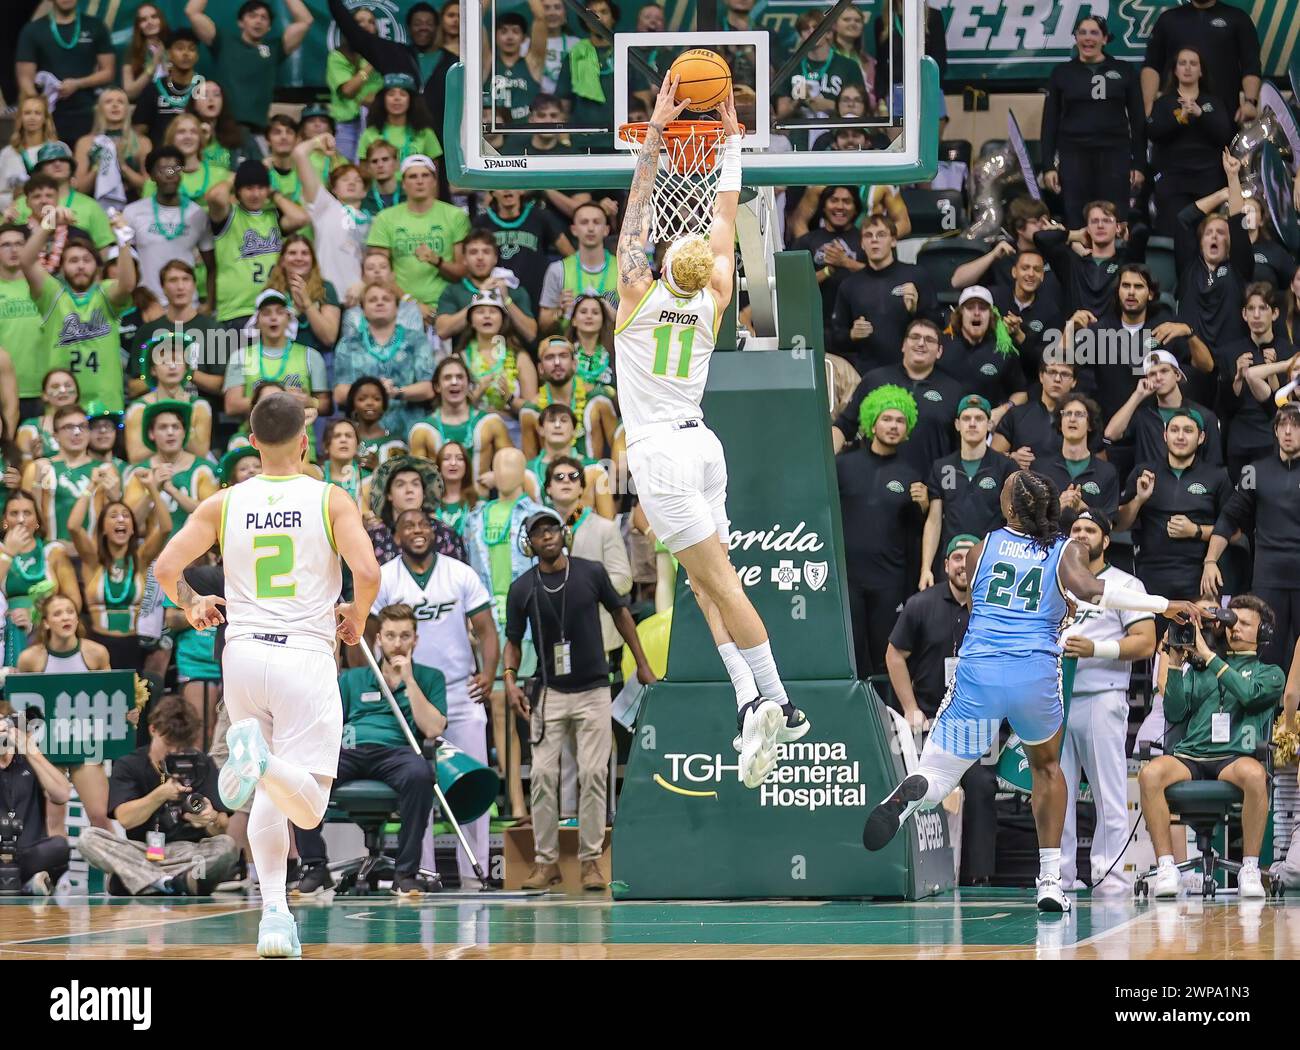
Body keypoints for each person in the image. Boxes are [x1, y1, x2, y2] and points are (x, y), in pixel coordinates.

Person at [863, 470, 1204, 912]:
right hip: (1035, 675)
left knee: (942, 771)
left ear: (1008, 509)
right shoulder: (1066, 551)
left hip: (979, 673)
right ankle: (1049, 879)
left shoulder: (981, 546)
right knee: (1047, 770)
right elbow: (1091, 591)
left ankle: (915, 790)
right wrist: (1164, 604)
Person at [615, 80, 810, 787]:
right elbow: (725, 216)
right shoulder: (715, 297)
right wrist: (729, 142)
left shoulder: (636, 298)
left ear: (659, 264)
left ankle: (783, 703)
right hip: (703, 446)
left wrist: (658, 141)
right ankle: (748, 696)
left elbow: (635, 218)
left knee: (720, 585)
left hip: (664, 453)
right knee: (703, 585)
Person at [155, 391, 381, 957]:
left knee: (269, 798)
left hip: (244, 658)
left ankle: (275, 917)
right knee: (308, 805)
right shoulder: (331, 499)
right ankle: (261, 760)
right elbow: (369, 572)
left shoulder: (225, 503)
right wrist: (354, 615)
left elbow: (164, 568)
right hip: (303, 655)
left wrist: (191, 604)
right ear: (306, 443)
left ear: (252, 443)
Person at [504, 509, 656, 891]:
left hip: (593, 688)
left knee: (592, 774)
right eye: (538, 533)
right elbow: (511, 639)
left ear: (564, 533)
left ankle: (591, 862)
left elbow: (622, 614)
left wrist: (641, 662)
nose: (547, 537)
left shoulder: (590, 572)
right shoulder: (523, 587)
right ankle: (545, 862)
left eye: (552, 529)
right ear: (529, 544)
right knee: (540, 776)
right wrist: (508, 678)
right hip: (549, 692)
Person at [372, 515, 499, 888]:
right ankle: (422, 871)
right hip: (409, 692)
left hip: (460, 691)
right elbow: (365, 633)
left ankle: (473, 869)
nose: (416, 530)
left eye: (422, 525)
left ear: (433, 532)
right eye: (407, 525)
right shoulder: (386, 578)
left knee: (474, 783)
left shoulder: (460, 573)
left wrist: (488, 673)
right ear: (396, 536)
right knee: (419, 785)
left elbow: (487, 630)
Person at [297, 602, 449, 896]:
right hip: (351, 750)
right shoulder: (353, 679)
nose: (398, 643)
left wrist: (409, 680)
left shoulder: (430, 678)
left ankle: (405, 875)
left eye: (405, 636)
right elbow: (328, 721)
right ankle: (315, 867)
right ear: (378, 639)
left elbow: (433, 729)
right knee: (303, 776)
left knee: (420, 774)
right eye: (390, 635)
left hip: (397, 754)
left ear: (416, 639)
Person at [1138, 595, 1281, 899]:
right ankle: (1167, 867)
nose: (1236, 628)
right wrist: (1175, 665)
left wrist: (1209, 656)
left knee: (1256, 775)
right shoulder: (1200, 669)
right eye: (1233, 622)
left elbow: (1248, 695)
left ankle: (1251, 868)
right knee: (1150, 774)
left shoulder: (1270, 673)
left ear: (1263, 633)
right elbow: (1175, 713)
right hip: (1191, 755)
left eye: (1245, 623)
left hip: (1233, 759)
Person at [885, 535, 996, 886]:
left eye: (971, 559)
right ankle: (916, 872)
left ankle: (978, 877)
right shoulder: (920, 605)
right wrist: (910, 708)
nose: (964, 565)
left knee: (980, 784)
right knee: (919, 783)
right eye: (957, 558)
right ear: (945, 565)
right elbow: (894, 656)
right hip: (928, 724)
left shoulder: (992, 609)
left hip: (975, 727)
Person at [1057, 509, 1157, 896]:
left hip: (1101, 697)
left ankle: (1110, 878)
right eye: (1076, 529)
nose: (1082, 535)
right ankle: (1060, 877)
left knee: (1109, 793)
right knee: (1056, 794)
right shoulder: (1057, 581)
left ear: (1106, 537)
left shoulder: (1125, 583)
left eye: (1090, 529)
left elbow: (1146, 641)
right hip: (1055, 700)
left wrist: (1096, 647)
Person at [77, 696, 239, 897]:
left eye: (181, 746)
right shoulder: (129, 764)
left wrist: (210, 818)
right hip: (142, 850)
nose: (174, 751)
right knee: (89, 838)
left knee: (226, 846)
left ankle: (137, 879)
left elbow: (221, 827)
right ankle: (172, 882)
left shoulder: (201, 763)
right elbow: (126, 819)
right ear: (153, 729)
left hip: (188, 851)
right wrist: (159, 795)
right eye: (169, 743)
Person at [464, 447, 540, 813]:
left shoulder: (539, 516)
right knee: (497, 709)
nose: (507, 470)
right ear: (491, 472)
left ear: (525, 470)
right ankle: (516, 801)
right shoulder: (475, 518)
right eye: (501, 464)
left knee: (536, 710)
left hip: (529, 625)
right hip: (488, 626)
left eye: (515, 464)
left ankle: (544, 798)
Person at [837, 386, 927, 677]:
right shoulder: (842, 466)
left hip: (889, 581)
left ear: (908, 427)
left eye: (900, 421)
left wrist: (923, 507)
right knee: (850, 653)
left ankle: (888, 717)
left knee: (885, 655)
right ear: (872, 422)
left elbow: (915, 532)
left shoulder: (912, 473)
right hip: (848, 578)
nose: (893, 426)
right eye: (887, 419)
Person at [1204, 403, 1300, 665]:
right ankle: (1268, 706)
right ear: (1276, 431)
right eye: (1283, 425)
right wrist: (1210, 560)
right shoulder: (1254, 471)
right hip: (1269, 576)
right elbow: (1228, 517)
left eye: (1296, 425)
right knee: (1267, 653)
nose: (1289, 431)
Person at [15, 591, 112, 840]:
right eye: (57, 613)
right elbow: (20, 707)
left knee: (99, 815)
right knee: (52, 819)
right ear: (46, 622)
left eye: (70, 612)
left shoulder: (96, 653)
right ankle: (56, 877)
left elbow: (113, 696)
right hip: (48, 744)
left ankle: (118, 876)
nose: (66, 617)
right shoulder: (30, 658)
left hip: (86, 742)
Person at [19, 210, 134, 413]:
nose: (80, 266)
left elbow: (126, 286)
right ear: (62, 269)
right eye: (73, 261)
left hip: (106, 402)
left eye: (86, 260)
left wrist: (123, 240)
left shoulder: (105, 293)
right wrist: (48, 227)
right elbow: (26, 262)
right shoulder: (52, 295)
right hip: (62, 403)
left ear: (97, 267)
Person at [1114, 407, 1232, 603]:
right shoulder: (1144, 472)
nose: (1180, 436)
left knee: (1197, 634)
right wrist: (1139, 499)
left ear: (1201, 437)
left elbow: (1234, 533)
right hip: (1149, 575)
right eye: (1174, 430)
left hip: (1198, 575)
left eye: (1188, 430)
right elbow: (1119, 525)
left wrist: (1195, 530)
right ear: (1165, 435)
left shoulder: (1217, 476)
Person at [1040, 15, 1145, 228]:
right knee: (1076, 216)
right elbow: (1049, 123)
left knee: (1114, 215)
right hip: (1074, 155)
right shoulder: (1062, 73)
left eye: (1094, 33)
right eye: (1083, 33)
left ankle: (1116, 260)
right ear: (1076, 38)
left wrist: (1139, 163)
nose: (1088, 38)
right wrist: (1049, 165)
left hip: (1114, 154)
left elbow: (1138, 120)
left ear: (1105, 39)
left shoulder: (1124, 70)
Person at [69, 472, 172, 670]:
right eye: (113, 516)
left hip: (132, 645)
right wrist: (91, 485)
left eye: (126, 516)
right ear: (104, 528)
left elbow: (165, 527)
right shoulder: (93, 561)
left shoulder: (140, 560)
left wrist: (152, 488)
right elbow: (74, 526)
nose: (121, 520)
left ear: (133, 528)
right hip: (97, 644)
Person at [832, 318, 964, 471]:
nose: (921, 343)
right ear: (903, 345)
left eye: (929, 339)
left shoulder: (954, 391)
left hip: (929, 487)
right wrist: (825, 463)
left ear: (939, 351)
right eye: (914, 337)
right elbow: (844, 426)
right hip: (877, 481)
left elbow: (961, 448)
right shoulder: (875, 380)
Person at [920, 396, 1016, 587]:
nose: (972, 424)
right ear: (957, 424)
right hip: (952, 561)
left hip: (992, 561)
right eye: (966, 418)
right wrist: (926, 568)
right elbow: (934, 520)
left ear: (989, 424)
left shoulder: (1005, 466)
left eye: (979, 419)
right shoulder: (942, 467)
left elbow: (1013, 521)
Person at [185, 0, 314, 140]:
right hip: (224, 130)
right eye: (252, 16)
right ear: (241, 22)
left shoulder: (275, 49)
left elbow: (305, 21)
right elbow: (192, 12)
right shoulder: (223, 41)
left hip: (258, 132)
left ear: (269, 27)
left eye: (264, 17)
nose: (258, 21)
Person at [830, 214, 935, 374]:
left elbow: (937, 326)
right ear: (862, 244)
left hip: (911, 372)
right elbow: (836, 338)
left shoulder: (916, 276)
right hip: (867, 374)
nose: (874, 240)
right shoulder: (849, 285)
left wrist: (916, 310)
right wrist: (852, 334)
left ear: (893, 240)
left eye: (881, 235)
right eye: (868, 235)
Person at [366, 154, 468, 316]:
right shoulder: (385, 218)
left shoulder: (455, 216)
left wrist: (437, 261)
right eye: (413, 176)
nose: (419, 181)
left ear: (434, 181)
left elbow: (463, 271)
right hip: (400, 306)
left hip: (447, 306)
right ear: (404, 184)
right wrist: (411, 303)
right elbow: (378, 274)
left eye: (425, 175)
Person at [1146, 48, 1233, 237]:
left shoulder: (1213, 103)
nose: (1187, 68)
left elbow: (1224, 135)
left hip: (1207, 180)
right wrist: (1180, 118)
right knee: (1173, 232)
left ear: (1201, 71)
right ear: (1175, 70)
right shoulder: (1164, 103)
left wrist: (1200, 114)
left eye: (1193, 64)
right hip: (1173, 181)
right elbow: (1153, 133)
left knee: (1207, 234)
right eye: (1182, 63)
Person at [332, 279, 435, 440]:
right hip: (363, 434)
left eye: (386, 299)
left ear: (397, 307)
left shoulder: (416, 340)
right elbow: (339, 393)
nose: (379, 303)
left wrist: (397, 393)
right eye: (372, 300)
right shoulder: (348, 344)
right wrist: (375, 391)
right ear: (363, 309)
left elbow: (428, 388)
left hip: (409, 429)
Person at [1173, 153, 1252, 356]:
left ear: (1230, 241)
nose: (1214, 237)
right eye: (1209, 233)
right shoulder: (1189, 267)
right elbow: (1183, 220)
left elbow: (1237, 222)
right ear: (1200, 242)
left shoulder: (1239, 268)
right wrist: (1222, 194)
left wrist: (1233, 177)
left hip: (1232, 362)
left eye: (1221, 233)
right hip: (1192, 361)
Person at [1214, 283, 1293, 478]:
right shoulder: (1228, 353)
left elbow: (1287, 406)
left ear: (1274, 314)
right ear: (1244, 314)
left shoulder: (1290, 354)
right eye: (1251, 309)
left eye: (1263, 308)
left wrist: (1273, 373)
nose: (1256, 315)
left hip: (1275, 439)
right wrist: (1238, 378)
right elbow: (1224, 408)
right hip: (1240, 441)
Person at [123, 147, 215, 310]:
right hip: (150, 307)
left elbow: (212, 266)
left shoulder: (197, 214)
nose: (169, 174)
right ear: (151, 176)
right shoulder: (133, 212)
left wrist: (209, 305)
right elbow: (125, 262)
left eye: (175, 169)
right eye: (162, 170)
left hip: (188, 306)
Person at [1139, 0, 1261, 123]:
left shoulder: (1238, 18)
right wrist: (1147, 105)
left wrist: (1250, 102)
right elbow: (1152, 65)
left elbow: (1251, 65)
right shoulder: (1168, 19)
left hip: (1222, 116)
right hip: (1175, 116)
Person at [222, 290, 331, 428]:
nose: (273, 318)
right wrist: (281, 397)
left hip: (301, 442)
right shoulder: (240, 357)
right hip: (253, 439)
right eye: (266, 313)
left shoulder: (311, 356)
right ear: (257, 321)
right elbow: (232, 405)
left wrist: (310, 401)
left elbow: (326, 405)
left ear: (289, 318)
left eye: (279, 312)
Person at [15, 0, 116, 147]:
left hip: (88, 112)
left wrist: (78, 83)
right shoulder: (33, 30)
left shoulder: (95, 26)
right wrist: (38, 109)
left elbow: (108, 71)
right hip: (50, 114)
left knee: (86, 163)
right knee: (49, 165)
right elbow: (25, 77)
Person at [208, 161, 295, 329]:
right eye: (248, 188)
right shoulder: (229, 215)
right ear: (238, 190)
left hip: (274, 310)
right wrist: (237, 176)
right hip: (237, 311)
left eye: (261, 187)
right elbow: (215, 196)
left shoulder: (273, 215)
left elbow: (301, 218)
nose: (255, 194)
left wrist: (275, 194)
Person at [0, 491, 80, 666]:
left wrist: (36, 616)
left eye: (27, 513)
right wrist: (8, 553)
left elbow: (75, 601)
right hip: (9, 632)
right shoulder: (1, 552)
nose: (21, 519)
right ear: (4, 521)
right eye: (14, 514)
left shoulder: (53, 552)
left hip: (49, 631)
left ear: (37, 521)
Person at [127, 260, 223, 407]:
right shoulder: (147, 331)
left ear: (194, 285)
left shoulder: (213, 328)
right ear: (163, 287)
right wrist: (166, 375)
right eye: (173, 280)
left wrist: (185, 370)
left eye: (186, 279)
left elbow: (220, 385)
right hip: (157, 415)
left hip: (201, 413)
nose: (180, 286)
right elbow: (133, 387)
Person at [0, 708, 73, 895]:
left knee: (58, 846)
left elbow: (62, 794)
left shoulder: (29, 761)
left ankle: (28, 883)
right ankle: (29, 885)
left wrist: (31, 751)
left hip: (27, 854)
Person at [1033, 201, 1148, 318]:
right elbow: (1040, 238)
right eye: (1094, 221)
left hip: (1115, 334)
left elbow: (1141, 230)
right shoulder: (1072, 263)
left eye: (1107, 221)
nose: (1100, 225)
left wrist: (1124, 232)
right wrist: (1075, 235)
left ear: (1118, 227)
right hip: (1079, 332)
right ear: (1087, 229)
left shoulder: (1126, 260)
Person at [123, 400, 218, 538]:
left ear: (184, 432)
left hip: (196, 556)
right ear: (151, 434)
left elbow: (213, 517)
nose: (170, 432)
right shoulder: (138, 473)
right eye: (163, 427)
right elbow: (130, 524)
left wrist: (172, 491)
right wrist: (152, 491)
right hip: (153, 557)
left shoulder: (204, 470)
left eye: (176, 427)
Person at [292, 135, 371, 296]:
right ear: (334, 189)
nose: (352, 183)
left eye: (358, 180)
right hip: (325, 296)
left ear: (364, 191)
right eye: (345, 179)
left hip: (357, 299)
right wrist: (317, 141)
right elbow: (299, 153)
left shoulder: (373, 222)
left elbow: (378, 264)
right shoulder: (325, 206)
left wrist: (364, 284)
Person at [473, 188, 573, 310]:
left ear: (522, 190)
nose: (507, 190)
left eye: (513, 185)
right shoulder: (482, 222)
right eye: (501, 186)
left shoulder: (540, 217)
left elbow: (571, 255)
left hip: (535, 293)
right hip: (496, 296)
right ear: (492, 192)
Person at [522, 336, 617, 462]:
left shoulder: (597, 399)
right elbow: (530, 465)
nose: (557, 362)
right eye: (550, 357)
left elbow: (617, 444)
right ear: (540, 368)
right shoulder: (531, 410)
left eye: (563, 356)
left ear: (574, 364)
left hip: (592, 477)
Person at [937, 287, 1027, 417]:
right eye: (970, 307)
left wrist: (1002, 411)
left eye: (983, 308)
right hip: (945, 423)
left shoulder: (1003, 349)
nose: (977, 313)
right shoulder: (941, 343)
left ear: (991, 315)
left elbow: (1021, 393)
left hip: (987, 426)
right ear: (960, 313)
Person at [435, 230, 537, 344]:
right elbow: (442, 331)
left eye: (486, 252)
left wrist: (506, 300)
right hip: (466, 358)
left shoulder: (514, 290)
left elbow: (531, 334)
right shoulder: (453, 291)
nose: (480, 257)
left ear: (495, 258)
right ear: (464, 259)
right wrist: (480, 297)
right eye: (473, 252)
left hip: (507, 356)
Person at [367, 453, 468, 566]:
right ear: (389, 494)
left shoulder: (446, 535)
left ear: (424, 493)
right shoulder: (372, 537)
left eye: (415, 484)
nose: (409, 490)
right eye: (400, 484)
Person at [539, 201, 617, 337]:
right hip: (570, 351)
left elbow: (637, 323)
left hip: (613, 350)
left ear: (606, 230)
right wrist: (559, 311)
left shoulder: (622, 270)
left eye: (597, 222)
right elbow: (543, 325)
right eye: (584, 222)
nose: (591, 228)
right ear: (574, 229)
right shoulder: (558, 270)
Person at [1036, 394, 1120, 518]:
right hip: (1049, 537)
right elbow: (1029, 520)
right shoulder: (1039, 469)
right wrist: (1057, 506)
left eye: (1079, 414)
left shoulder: (1107, 472)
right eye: (1067, 413)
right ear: (1060, 423)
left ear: (1090, 425)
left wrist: (1083, 509)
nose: (1072, 419)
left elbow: (1109, 524)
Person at [524, 405, 614, 518]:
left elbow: (608, 521)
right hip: (543, 534)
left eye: (564, 420)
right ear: (540, 429)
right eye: (551, 420)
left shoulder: (594, 469)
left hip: (586, 533)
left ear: (575, 430)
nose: (557, 425)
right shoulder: (527, 472)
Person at [72, 88, 151, 212]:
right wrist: (99, 165)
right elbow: (80, 188)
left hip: (133, 207)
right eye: (108, 102)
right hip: (95, 206)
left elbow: (149, 187)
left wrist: (123, 166)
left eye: (120, 102)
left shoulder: (142, 142)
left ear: (128, 109)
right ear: (99, 109)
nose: (115, 105)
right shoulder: (85, 143)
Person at [990, 249, 1064, 379]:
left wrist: (1020, 335)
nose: (1031, 274)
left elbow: (1047, 361)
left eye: (1037, 270)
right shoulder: (993, 298)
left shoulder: (1051, 311)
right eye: (1025, 268)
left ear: (1042, 276)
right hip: (992, 374)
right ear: (1014, 272)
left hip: (1030, 380)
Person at [992, 359, 1077, 469]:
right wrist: (1012, 458)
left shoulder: (1081, 420)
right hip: (1024, 484)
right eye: (1051, 372)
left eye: (1065, 374)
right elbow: (991, 459)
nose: (1057, 379)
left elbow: (1096, 465)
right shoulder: (1016, 415)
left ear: (1074, 381)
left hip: (1066, 484)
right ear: (1041, 376)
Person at [265, 235, 342, 357]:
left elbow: (329, 338)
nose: (299, 258)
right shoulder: (272, 292)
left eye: (305, 253)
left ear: (313, 260)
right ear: (282, 261)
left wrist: (307, 303)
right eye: (292, 253)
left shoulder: (326, 288)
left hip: (319, 357)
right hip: (282, 358)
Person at [327, 5, 384, 162]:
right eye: (359, 21)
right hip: (348, 126)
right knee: (346, 173)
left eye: (371, 22)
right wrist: (372, 62)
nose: (366, 25)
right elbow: (348, 90)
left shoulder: (387, 55)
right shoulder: (338, 56)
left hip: (377, 123)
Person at [130, 28, 202, 145]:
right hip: (159, 157)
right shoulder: (152, 90)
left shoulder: (204, 88)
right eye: (180, 48)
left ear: (197, 56)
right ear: (168, 54)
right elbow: (138, 133)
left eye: (191, 49)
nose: (186, 53)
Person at [357, 73, 444, 168]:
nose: (397, 98)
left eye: (403, 94)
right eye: (391, 94)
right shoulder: (369, 134)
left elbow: (433, 175)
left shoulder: (425, 133)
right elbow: (364, 174)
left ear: (411, 100)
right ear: (383, 100)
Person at [0, 97, 58, 213]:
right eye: (27, 113)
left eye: (37, 113)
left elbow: (64, 189)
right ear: (20, 118)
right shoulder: (8, 153)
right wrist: (13, 198)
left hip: (49, 216)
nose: (32, 117)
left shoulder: (56, 150)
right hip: (16, 215)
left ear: (45, 118)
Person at [121, 2, 169, 101]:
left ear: (161, 19)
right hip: (145, 104)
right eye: (143, 20)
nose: (150, 22)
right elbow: (129, 92)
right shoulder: (132, 50)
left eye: (154, 17)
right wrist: (154, 63)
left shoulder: (174, 44)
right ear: (138, 26)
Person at [434, 442, 477, 537]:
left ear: (466, 465)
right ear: (438, 466)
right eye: (446, 458)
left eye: (459, 458)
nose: (453, 463)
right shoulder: (429, 504)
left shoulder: (478, 503)